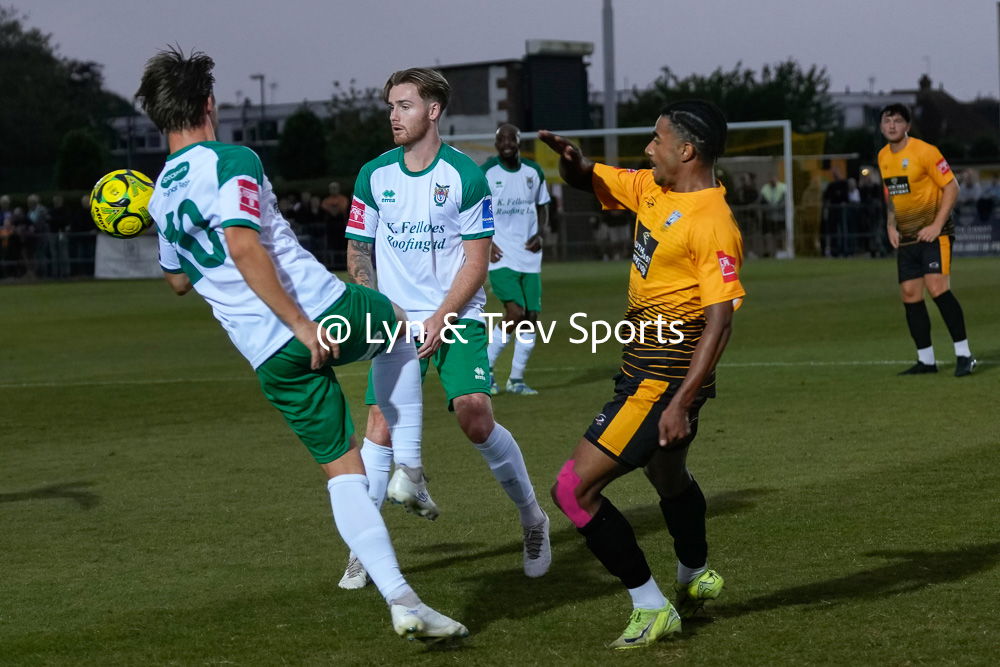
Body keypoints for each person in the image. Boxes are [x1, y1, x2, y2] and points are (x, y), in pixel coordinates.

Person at [135, 47, 467, 643]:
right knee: (398, 322)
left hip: (265, 356)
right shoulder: (233, 157)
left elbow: (179, 281)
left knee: (342, 472)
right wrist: (298, 321)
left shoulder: (160, 194)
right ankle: (410, 467)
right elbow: (242, 244)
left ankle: (401, 599)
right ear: (208, 104)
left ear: (159, 117)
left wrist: (146, 217)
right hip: (318, 313)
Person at [539, 99, 745, 649]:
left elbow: (720, 321)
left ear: (687, 150)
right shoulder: (654, 188)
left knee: (571, 491)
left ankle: (650, 606)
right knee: (668, 477)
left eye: (657, 139)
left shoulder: (712, 222)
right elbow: (586, 178)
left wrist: (680, 402)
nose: (647, 148)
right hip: (643, 366)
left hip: (664, 377)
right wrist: (571, 161)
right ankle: (694, 575)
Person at [341, 67, 551, 589]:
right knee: (378, 429)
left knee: (475, 416)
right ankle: (364, 548)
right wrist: (382, 305)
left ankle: (533, 518)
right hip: (394, 323)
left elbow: (477, 262)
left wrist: (442, 316)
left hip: (457, 317)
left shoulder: (465, 176)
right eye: (391, 105)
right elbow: (357, 251)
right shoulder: (373, 175)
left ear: (433, 111)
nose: (394, 115)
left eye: (405, 105)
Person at [877, 103, 975, 377]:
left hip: (936, 233)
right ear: (881, 126)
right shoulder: (883, 156)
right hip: (907, 236)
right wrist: (890, 225)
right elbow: (893, 193)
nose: (892, 126)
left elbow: (951, 186)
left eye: (897, 121)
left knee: (937, 287)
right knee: (910, 294)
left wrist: (936, 224)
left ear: (907, 125)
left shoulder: (925, 151)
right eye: (887, 121)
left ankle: (964, 355)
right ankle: (926, 361)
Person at [480, 123, 551, 395]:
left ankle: (516, 379)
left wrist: (541, 233)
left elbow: (543, 205)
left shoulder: (534, 171)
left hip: (529, 253)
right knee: (515, 312)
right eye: (502, 139)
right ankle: (485, 369)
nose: (507, 143)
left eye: (512, 138)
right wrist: (487, 242)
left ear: (519, 141)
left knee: (531, 316)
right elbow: (472, 208)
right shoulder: (487, 172)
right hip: (500, 254)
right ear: (496, 145)